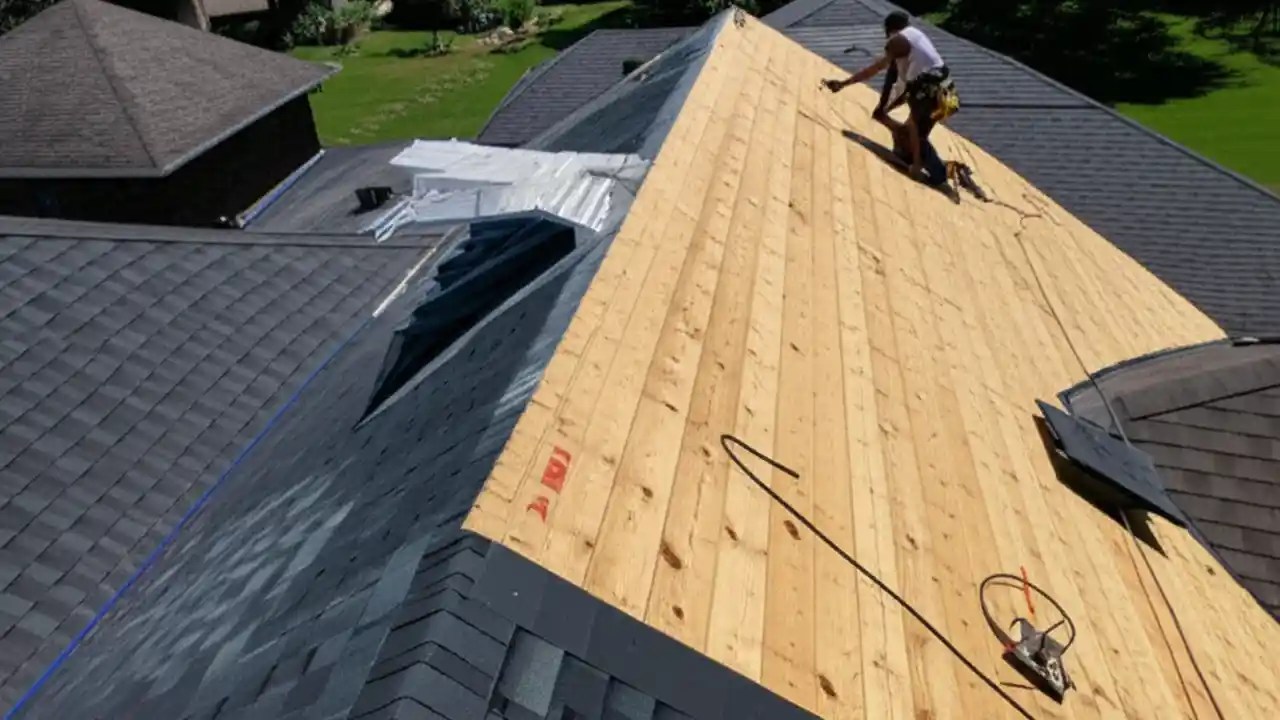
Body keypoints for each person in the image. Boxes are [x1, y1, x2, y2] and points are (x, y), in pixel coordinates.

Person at [823, 12, 959, 186]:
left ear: (889, 30)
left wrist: (916, 166)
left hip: (928, 92)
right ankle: (910, 148)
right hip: (945, 91)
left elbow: (876, 69)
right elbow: (890, 69)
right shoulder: (914, 34)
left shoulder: (896, 42)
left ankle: (936, 173)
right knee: (909, 139)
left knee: (915, 135)